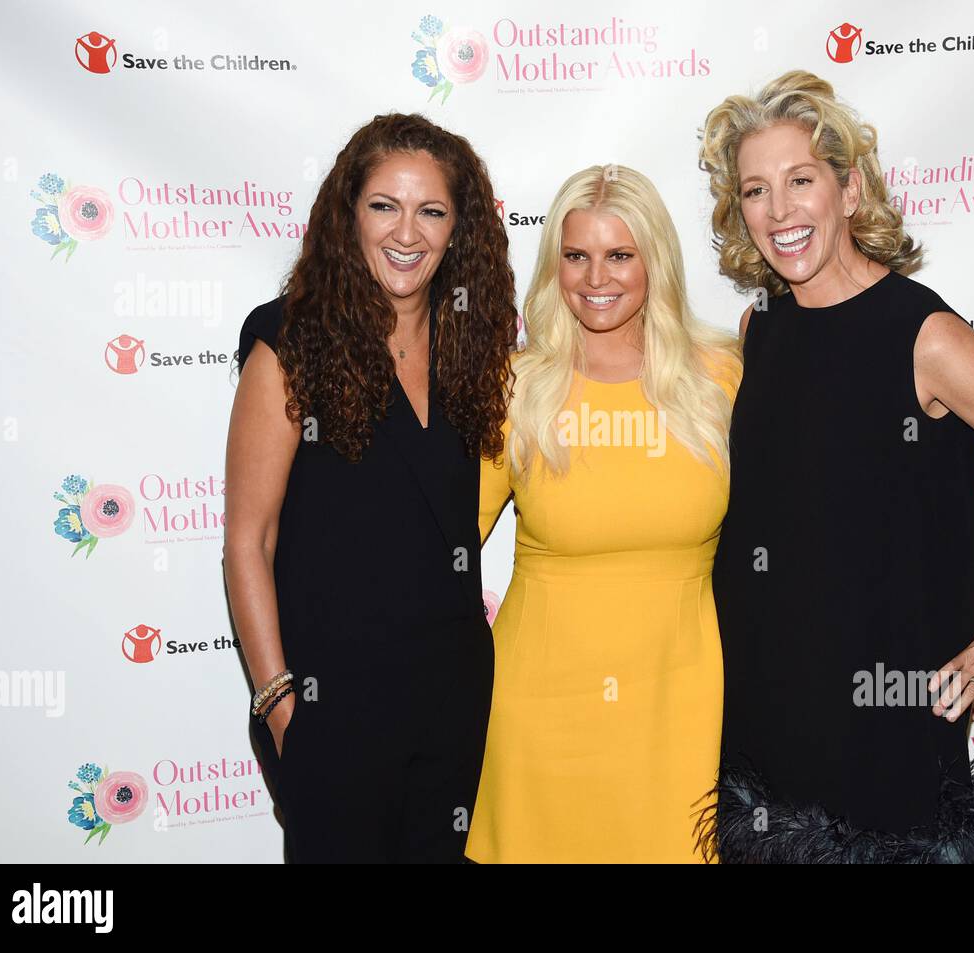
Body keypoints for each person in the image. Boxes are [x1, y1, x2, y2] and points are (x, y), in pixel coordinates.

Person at [695, 71, 974, 863]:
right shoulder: (759, 328)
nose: (779, 212)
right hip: (762, 726)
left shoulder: (926, 337)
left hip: (887, 733)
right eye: (756, 190)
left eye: (801, 180)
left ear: (849, 192)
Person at [224, 113, 516, 862]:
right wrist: (279, 704)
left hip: (454, 707)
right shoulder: (290, 339)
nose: (407, 232)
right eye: (385, 204)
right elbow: (247, 542)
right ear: (348, 213)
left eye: (432, 210)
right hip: (331, 711)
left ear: (461, 228)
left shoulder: (474, 343)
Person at [471, 165, 741, 862]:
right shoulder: (516, 389)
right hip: (537, 720)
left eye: (620, 254)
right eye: (576, 255)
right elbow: (434, 546)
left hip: (680, 716)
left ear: (655, 261)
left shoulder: (723, 378)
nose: (597, 277)